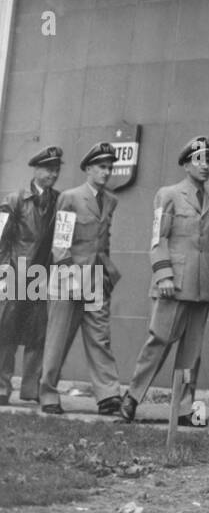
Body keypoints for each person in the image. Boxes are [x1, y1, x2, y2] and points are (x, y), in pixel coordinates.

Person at [119, 137, 209, 426]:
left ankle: (184, 409)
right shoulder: (169, 195)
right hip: (173, 284)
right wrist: (163, 274)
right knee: (159, 341)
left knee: (192, 352)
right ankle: (132, 398)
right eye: (199, 159)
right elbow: (157, 240)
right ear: (187, 163)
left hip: (201, 288)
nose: (205, 165)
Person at [39, 142, 122, 416]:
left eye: (110, 167)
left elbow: (104, 242)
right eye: (101, 167)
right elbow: (60, 243)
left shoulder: (110, 201)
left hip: (96, 279)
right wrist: (69, 275)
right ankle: (48, 392)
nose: (106, 172)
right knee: (58, 339)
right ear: (88, 168)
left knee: (100, 337)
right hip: (68, 278)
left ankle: (108, 395)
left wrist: (107, 274)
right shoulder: (71, 198)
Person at [0, 145, 62, 405]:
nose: (53, 174)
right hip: (15, 273)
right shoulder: (13, 201)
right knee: (6, 331)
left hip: (41, 276)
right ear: (36, 170)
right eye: (48, 169)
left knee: (38, 333)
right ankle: (2, 387)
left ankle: (30, 388)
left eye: (56, 170)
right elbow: (1, 240)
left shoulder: (60, 201)